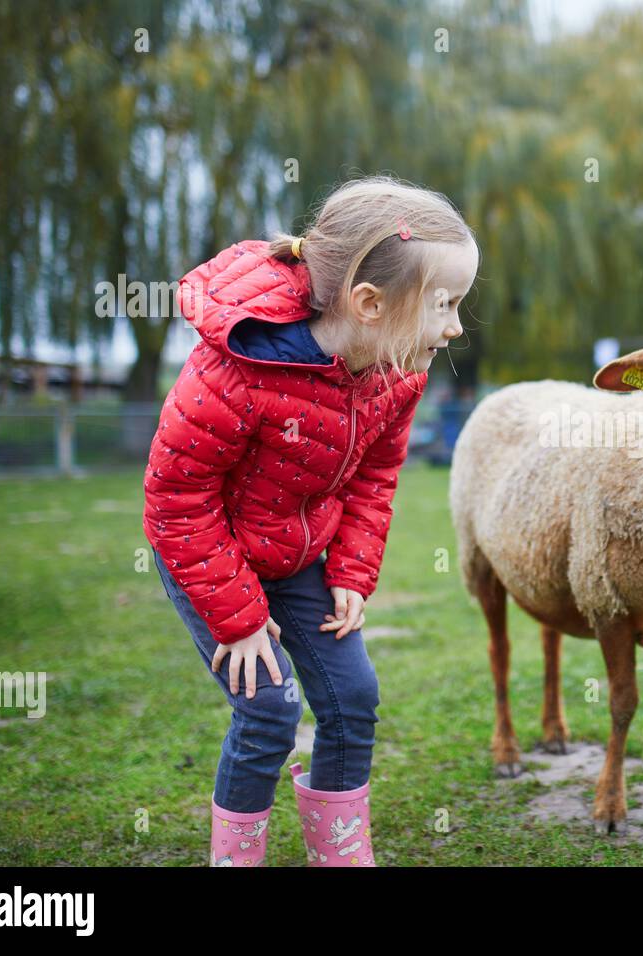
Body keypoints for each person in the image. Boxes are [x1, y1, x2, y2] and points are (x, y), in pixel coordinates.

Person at [143, 175, 477, 866]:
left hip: (300, 558)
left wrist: (352, 569)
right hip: (210, 557)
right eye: (444, 305)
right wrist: (235, 617)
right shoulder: (234, 372)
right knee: (267, 708)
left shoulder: (396, 374)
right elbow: (176, 498)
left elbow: (374, 479)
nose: (456, 328)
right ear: (369, 303)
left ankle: (341, 854)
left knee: (353, 697)